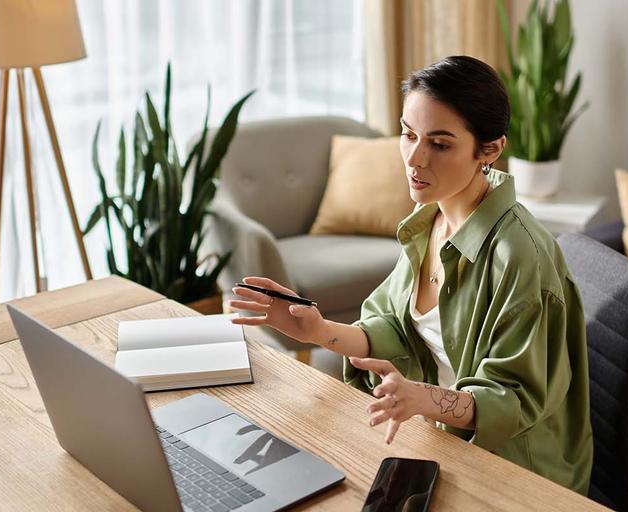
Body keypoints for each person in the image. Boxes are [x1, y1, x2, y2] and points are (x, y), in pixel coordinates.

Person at [228, 55, 592, 494]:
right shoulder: (429, 220)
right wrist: (317, 330)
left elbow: (513, 403)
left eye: (439, 144)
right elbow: (393, 329)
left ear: (490, 150)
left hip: (514, 467)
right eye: (407, 134)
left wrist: (421, 398)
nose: (415, 158)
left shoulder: (520, 256)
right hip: (434, 434)